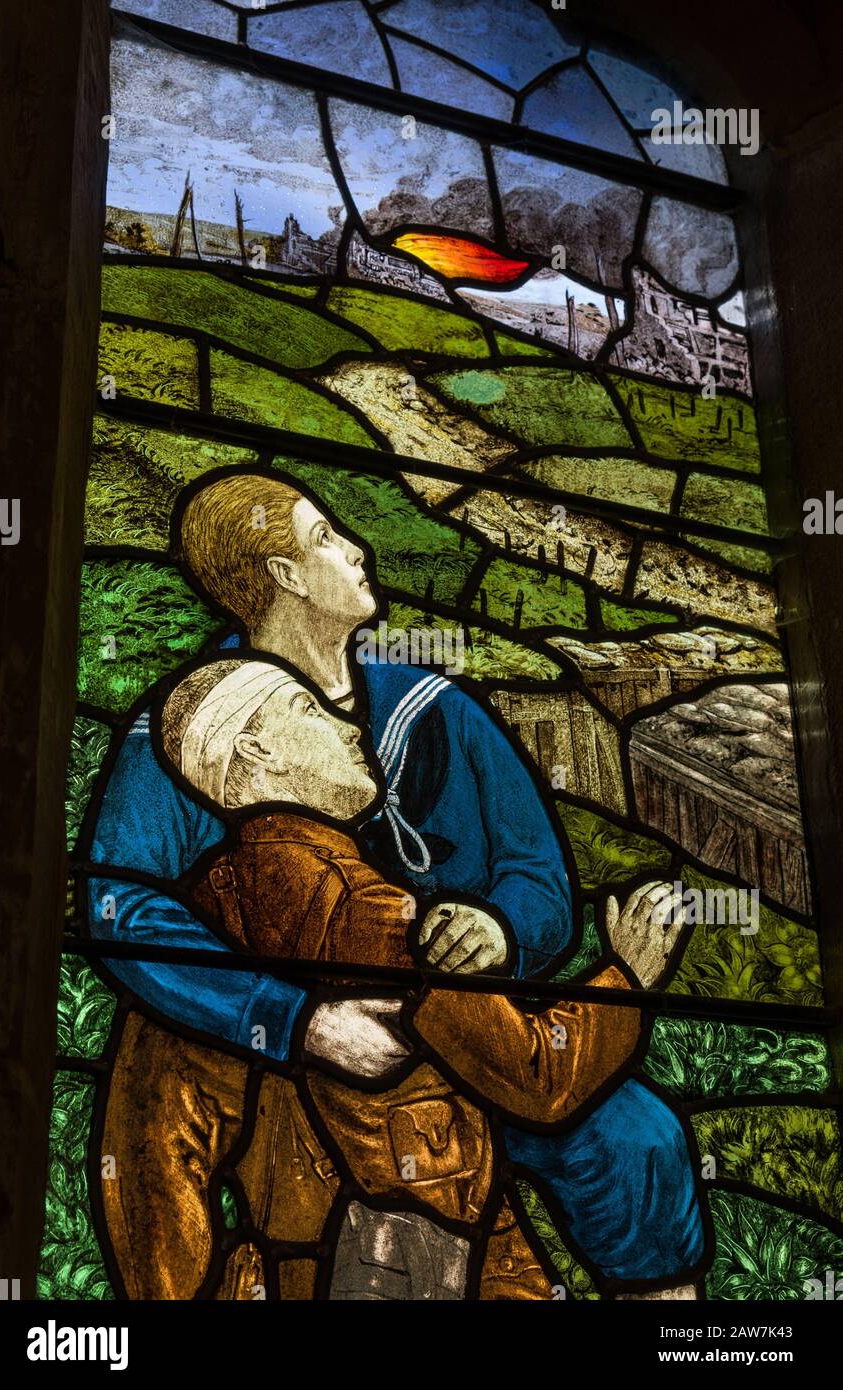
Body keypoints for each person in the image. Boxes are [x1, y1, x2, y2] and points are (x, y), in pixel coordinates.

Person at [88, 470, 705, 1298]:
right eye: (325, 538)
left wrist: (501, 932)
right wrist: (291, 1019)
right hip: (296, 1052)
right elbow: (121, 907)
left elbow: (539, 877)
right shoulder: (195, 730)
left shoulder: (431, 706)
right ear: (282, 577)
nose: (359, 549)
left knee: (639, 1141)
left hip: (474, 1024)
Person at [102, 654, 649, 1300]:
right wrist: (628, 977)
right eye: (310, 710)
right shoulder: (372, 913)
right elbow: (539, 1079)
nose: (351, 726)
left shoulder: (204, 927)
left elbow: (150, 1160)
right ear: (258, 752)